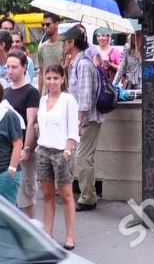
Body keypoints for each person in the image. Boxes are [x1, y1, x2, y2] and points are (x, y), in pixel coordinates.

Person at [35, 63, 80, 248]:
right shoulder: (43, 100)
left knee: (66, 194)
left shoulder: (68, 100)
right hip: (44, 150)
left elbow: (73, 129)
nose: (52, 81)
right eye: (49, 78)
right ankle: (48, 234)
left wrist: (68, 151)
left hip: (62, 151)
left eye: (56, 78)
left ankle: (70, 236)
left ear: (62, 79)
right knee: (47, 194)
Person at [65, 27, 104, 212]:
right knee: (83, 158)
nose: (63, 44)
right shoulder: (76, 63)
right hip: (83, 120)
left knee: (82, 158)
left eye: (66, 41)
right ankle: (88, 195)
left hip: (87, 120)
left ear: (72, 43)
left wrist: (78, 122)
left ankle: (88, 197)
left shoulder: (83, 65)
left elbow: (85, 99)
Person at [2, 51, 41, 217]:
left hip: (24, 148)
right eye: (8, 67)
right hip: (7, 149)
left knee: (26, 192)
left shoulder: (31, 92)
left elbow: (32, 122)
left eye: (14, 67)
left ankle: (30, 227)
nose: (10, 71)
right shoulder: (5, 92)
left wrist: (27, 148)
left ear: (24, 67)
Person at [34, 13, 65, 78]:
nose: (45, 27)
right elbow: (41, 72)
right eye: (43, 24)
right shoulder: (41, 47)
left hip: (62, 87)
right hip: (46, 87)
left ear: (56, 24)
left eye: (48, 24)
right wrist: (40, 88)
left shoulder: (65, 44)